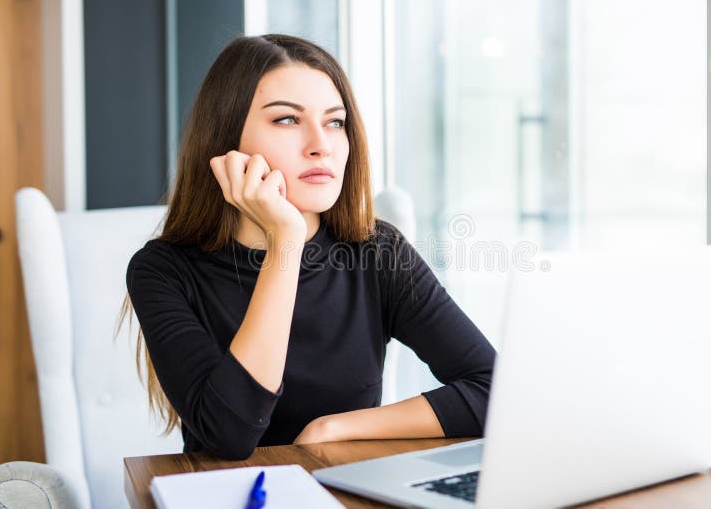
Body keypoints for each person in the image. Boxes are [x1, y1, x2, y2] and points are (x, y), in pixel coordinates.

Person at [123, 34, 496, 460]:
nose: (321, 144)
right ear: (225, 141)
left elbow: (494, 390)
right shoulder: (162, 271)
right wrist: (285, 240)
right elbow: (229, 434)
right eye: (287, 120)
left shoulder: (378, 252)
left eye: (335, 122)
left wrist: (336, 427)